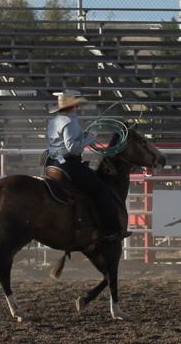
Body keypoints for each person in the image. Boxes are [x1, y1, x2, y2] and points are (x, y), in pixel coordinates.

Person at [44, 89, 127, 242]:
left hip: (53, 162)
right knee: (101, 190)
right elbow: (73, 148)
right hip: (68, 164)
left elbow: (63, 141)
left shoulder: (54, 120)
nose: (78, 107)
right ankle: (111, 230)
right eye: (76, 105)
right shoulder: (69, 121)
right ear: (71, 107)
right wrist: (90, 137)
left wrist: (83, 136)